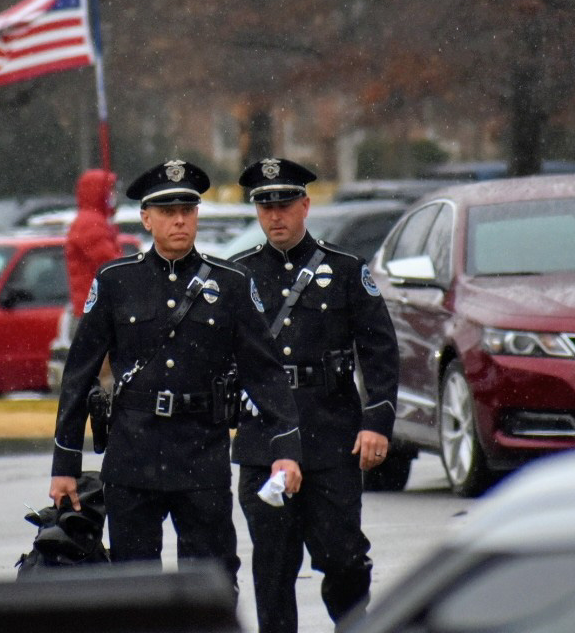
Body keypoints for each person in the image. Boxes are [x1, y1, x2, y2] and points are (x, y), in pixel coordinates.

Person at [50, 159, 303, 590]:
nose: (180, 220)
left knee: (211, 584)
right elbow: (80, 374)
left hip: (201, 453)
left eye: (188, 210)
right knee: (134, 588)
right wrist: (65, 464)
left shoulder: (231, 283)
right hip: (133, 454)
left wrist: (286, 447)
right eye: (167, 212)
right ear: (146, 219)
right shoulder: (116, 280)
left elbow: (264, 372)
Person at [230, 158, 399, 633]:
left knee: (343, 556)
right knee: (273, 565)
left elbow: (379, 350)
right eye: (265, 207)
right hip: (264, 438)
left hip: (330, 432)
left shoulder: (344, 270)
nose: (275, 215)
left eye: (284, 205)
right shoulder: (238, 275)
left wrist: (377, 421)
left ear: (305, 206)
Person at [65, 168, 122, 322]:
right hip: (94, 309)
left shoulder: (92, 220)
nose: (113, 195)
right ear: (99, 192)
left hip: (92, 306)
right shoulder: (91, 223)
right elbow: (111, 263)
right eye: (110, 190)